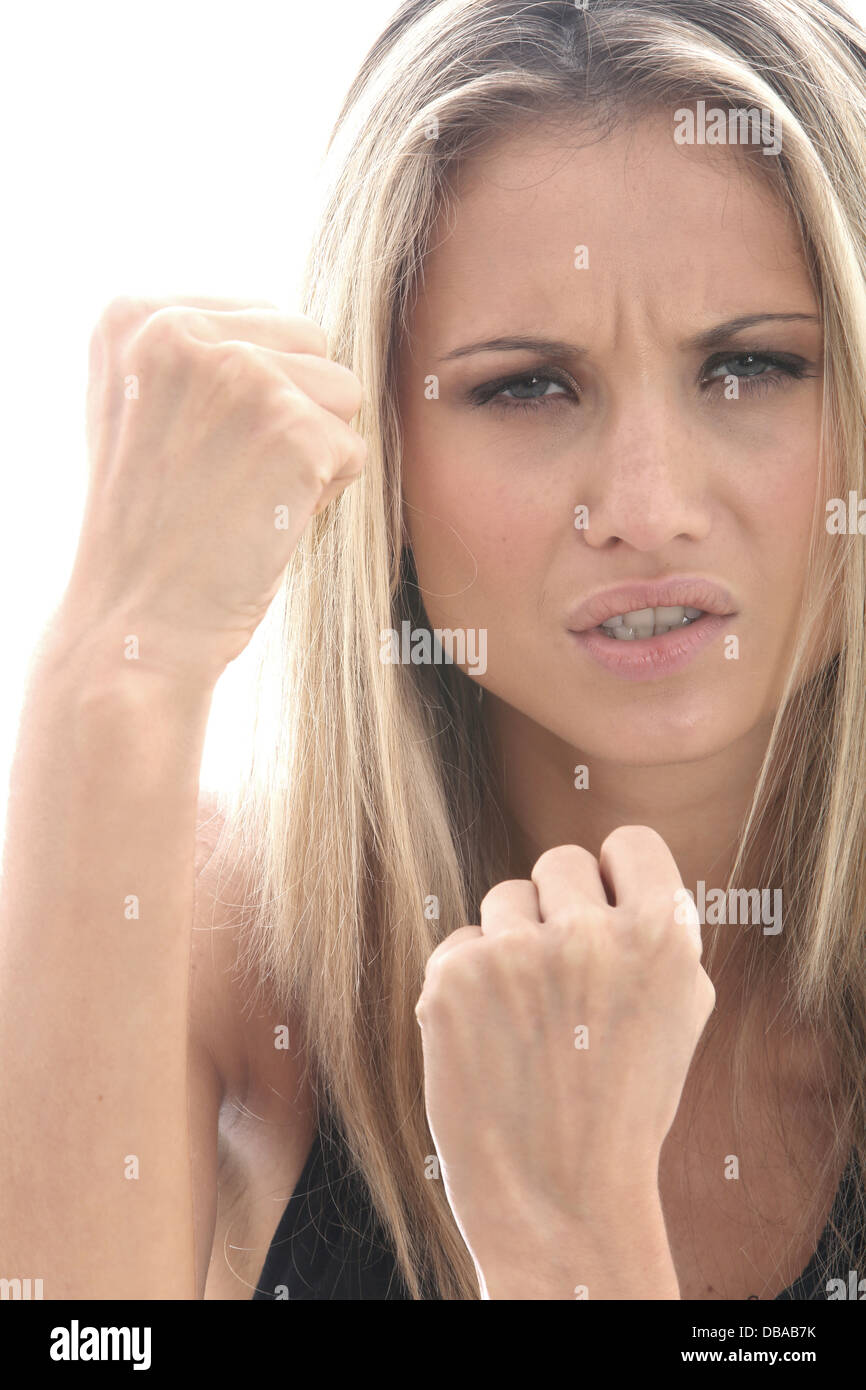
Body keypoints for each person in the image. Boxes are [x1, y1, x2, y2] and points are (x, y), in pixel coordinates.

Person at [3, 0, 866, 1302]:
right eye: (526, 384)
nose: (644, 503)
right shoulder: (225, 950)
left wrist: (567, 1243)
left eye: (746, 366)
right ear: (382, 459)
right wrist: (111, 677)